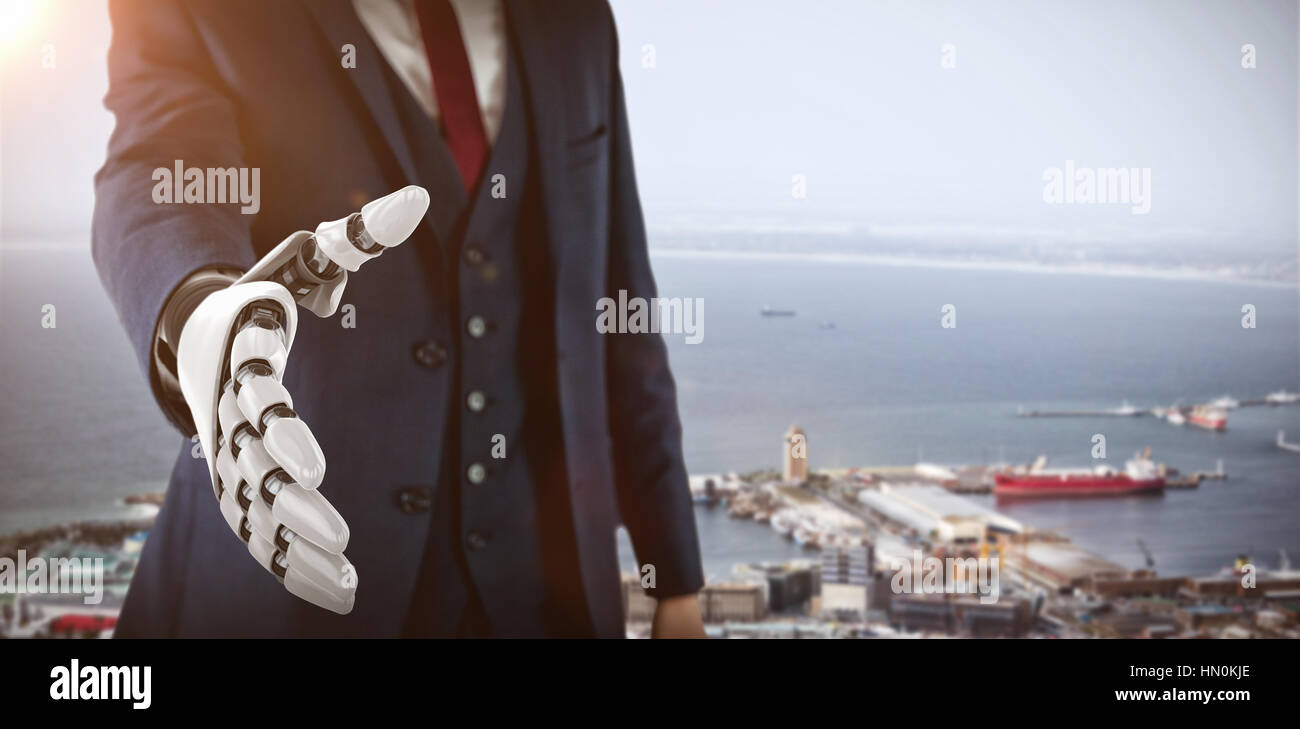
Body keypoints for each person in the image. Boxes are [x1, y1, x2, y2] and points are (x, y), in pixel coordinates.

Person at [92, 0, 705, 638]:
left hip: (550, 597)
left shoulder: (576, 18)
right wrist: (197, 305)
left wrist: (675, 579)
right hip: (283, 591)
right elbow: (158, 167)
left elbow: (622, 303)